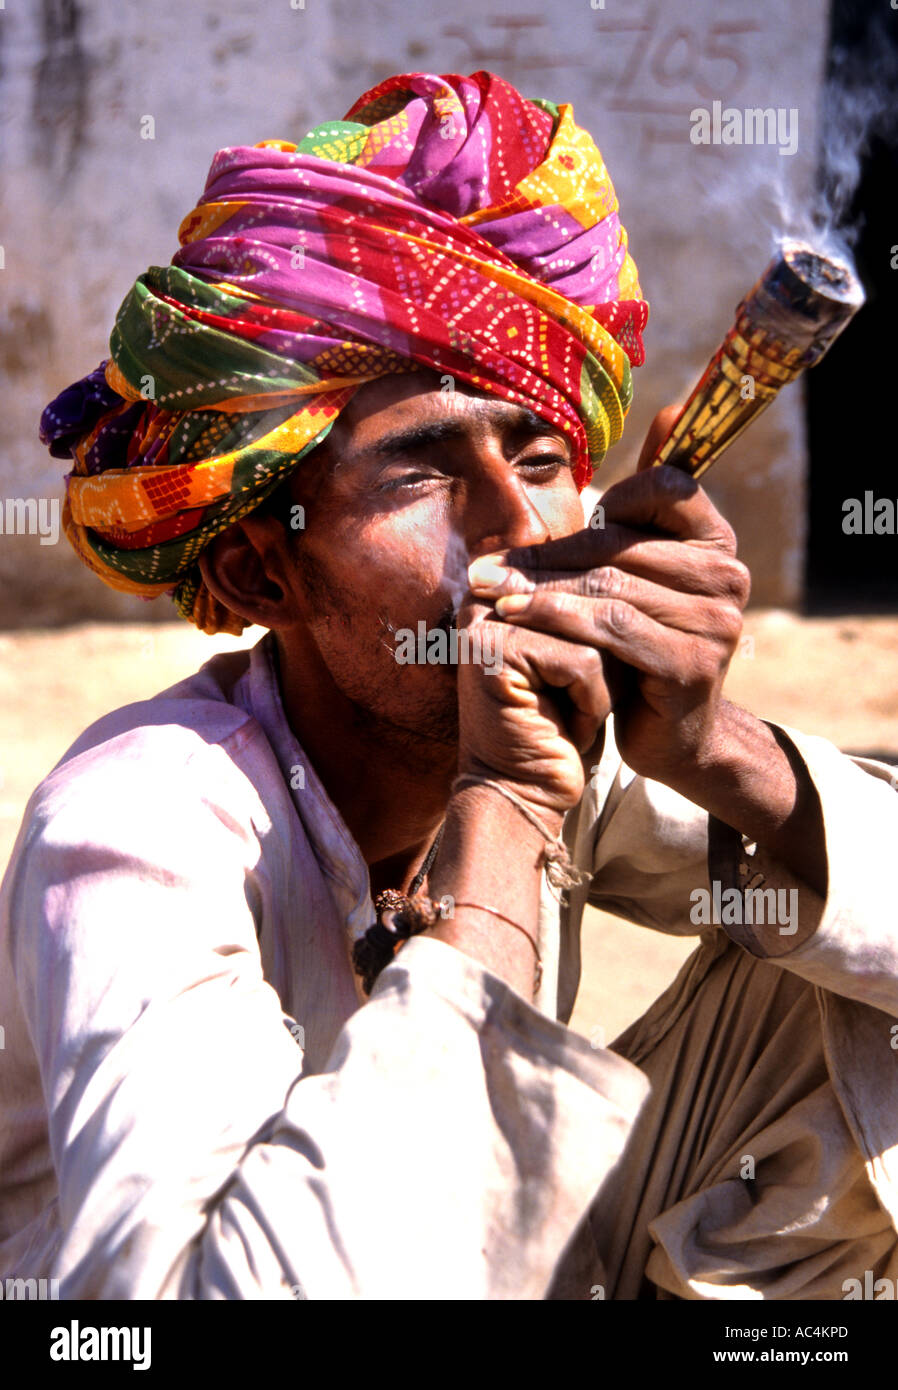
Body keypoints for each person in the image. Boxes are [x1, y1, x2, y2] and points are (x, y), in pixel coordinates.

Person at [1, 69, 896, 1301]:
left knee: (846, 970)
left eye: (539, 453)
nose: (517, 527)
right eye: (421, 476)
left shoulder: (570, 738)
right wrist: (504, 811)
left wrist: (710, 743)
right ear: (266, 567)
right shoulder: (138, 824)